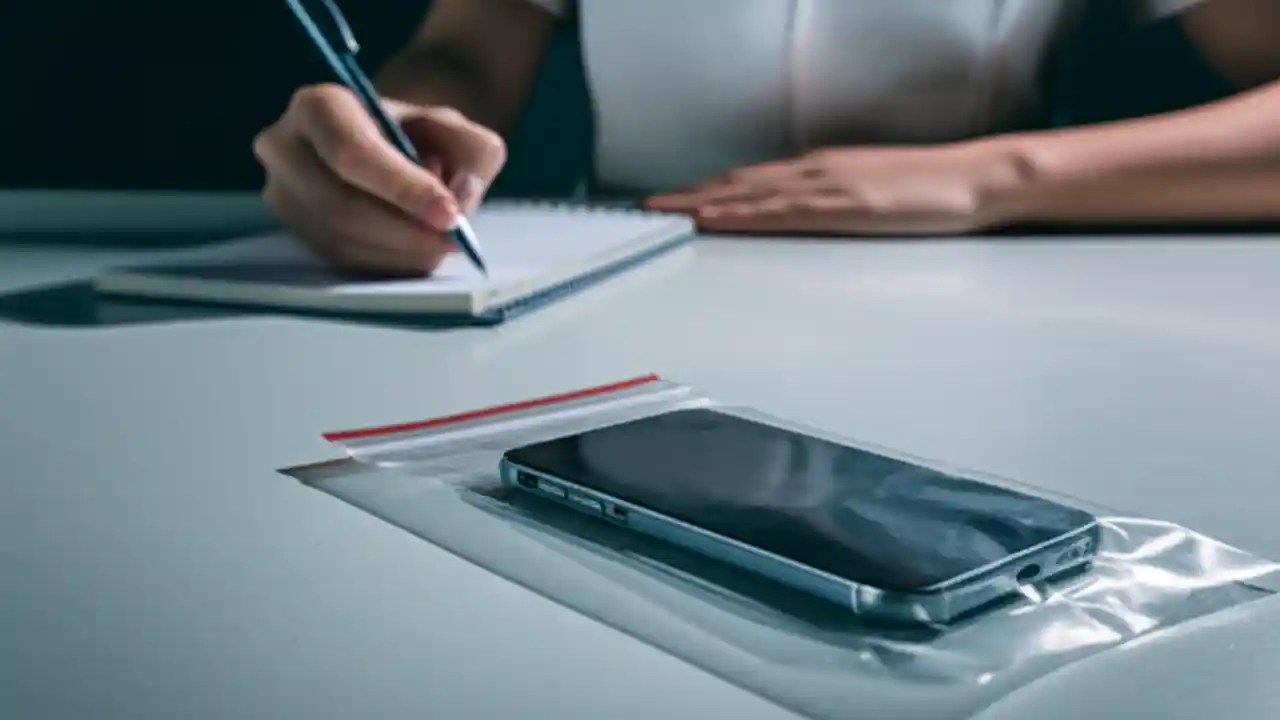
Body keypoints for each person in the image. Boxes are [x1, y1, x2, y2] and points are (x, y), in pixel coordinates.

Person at [253, 0, 1280, 275]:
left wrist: (993, 177)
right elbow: (470, 46)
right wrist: (392, 134)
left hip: (976, 292)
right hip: (606, 279)